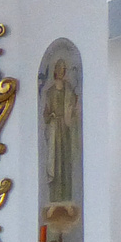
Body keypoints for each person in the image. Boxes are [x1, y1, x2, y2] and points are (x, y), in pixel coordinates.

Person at [41, 58, 80, 204]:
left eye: (64, 69)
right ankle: (55, 200)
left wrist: (74, 105)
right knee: (55, 162)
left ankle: (67, 198)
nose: (61, 72)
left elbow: (73, 107)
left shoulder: (68, 88)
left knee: (65, 160)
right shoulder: (50, 92)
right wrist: (50, 116)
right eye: (59, 69)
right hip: (54, 128)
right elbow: (45, 113)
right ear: (55, 71)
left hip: (66, 126)